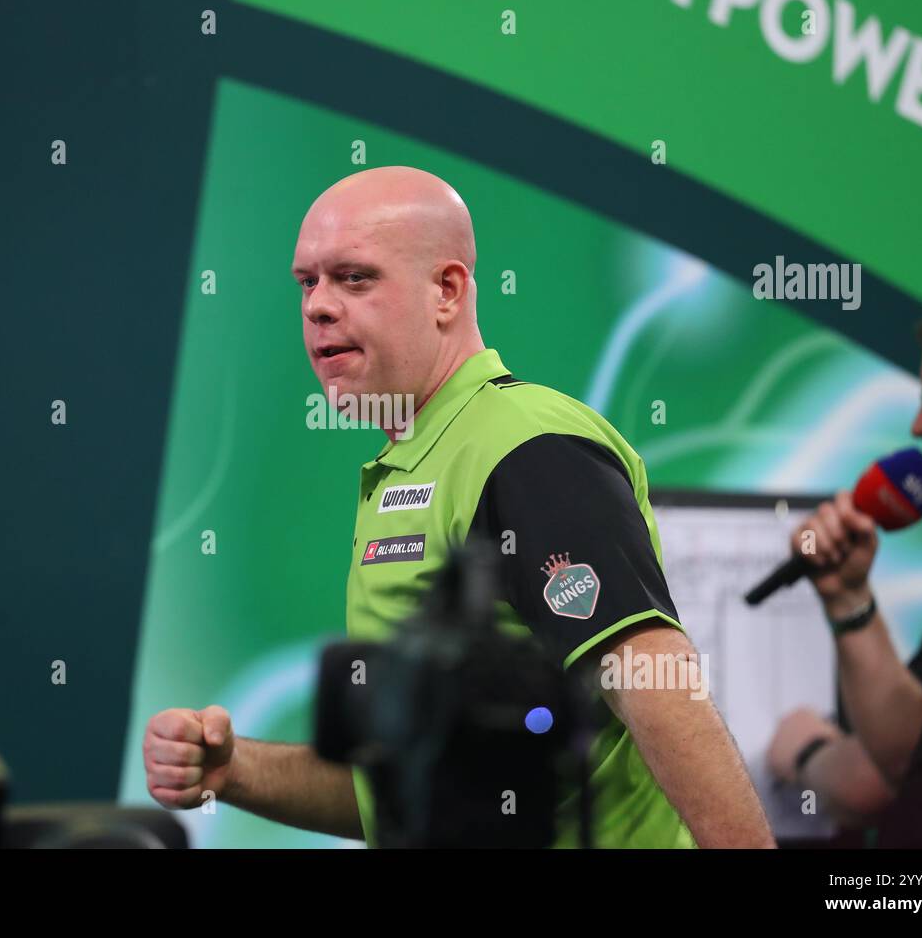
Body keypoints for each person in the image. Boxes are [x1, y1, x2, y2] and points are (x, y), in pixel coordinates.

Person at [144, 166, 773, 848]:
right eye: (307, 282)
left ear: (446, 290)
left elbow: (654, 679)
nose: (319, 306)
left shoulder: (525, 447)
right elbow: (403, 798)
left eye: (354, 277)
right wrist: (233, 770)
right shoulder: (412, 464)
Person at [767, 281, 922, 846]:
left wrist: (806, 753)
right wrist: (849, 600)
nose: (921, 427)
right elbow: (912, 758)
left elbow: (874, 787)